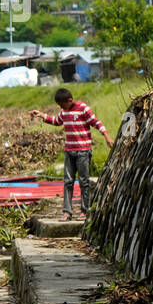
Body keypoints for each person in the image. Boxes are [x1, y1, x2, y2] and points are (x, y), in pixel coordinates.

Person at [29, 88, 114, 220]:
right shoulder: (64, 111)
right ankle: (67, 212)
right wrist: (41, 115)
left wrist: (107, 137)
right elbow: (57, 121)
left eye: (62, 104)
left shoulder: (83, 109)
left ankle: (85, 211)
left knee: (84, 182)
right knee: (68, 181)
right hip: (69, 151)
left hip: (83, 151)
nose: (61, 107)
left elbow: (96, 122)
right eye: (59, 106)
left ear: (69, 100)